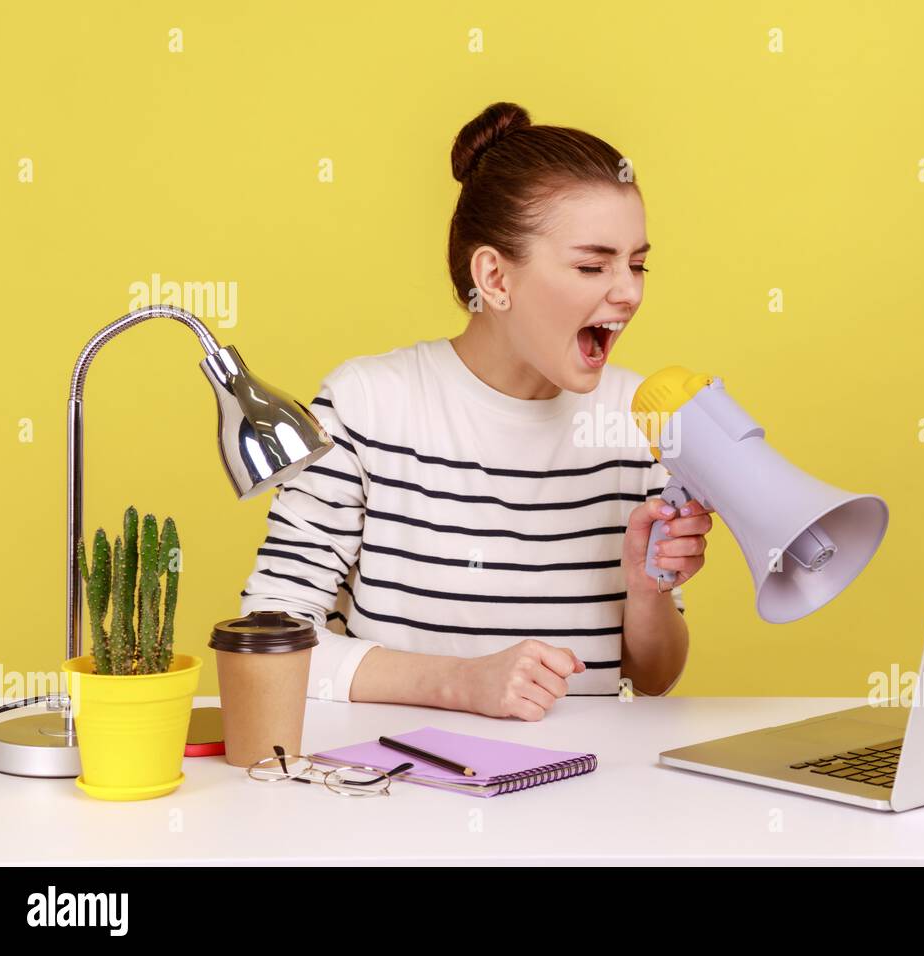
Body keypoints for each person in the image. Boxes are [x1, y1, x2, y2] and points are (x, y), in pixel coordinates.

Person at [239, 101, 712, 720]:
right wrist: (461, 684)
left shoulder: (635, 418)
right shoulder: (368, 405)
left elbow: (653, 679)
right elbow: (270, 643)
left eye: (638, 263)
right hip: (400, 792)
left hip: (587, 794)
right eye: (593, 265)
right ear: (493, 277)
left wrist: (648, 591)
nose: (628, 291)